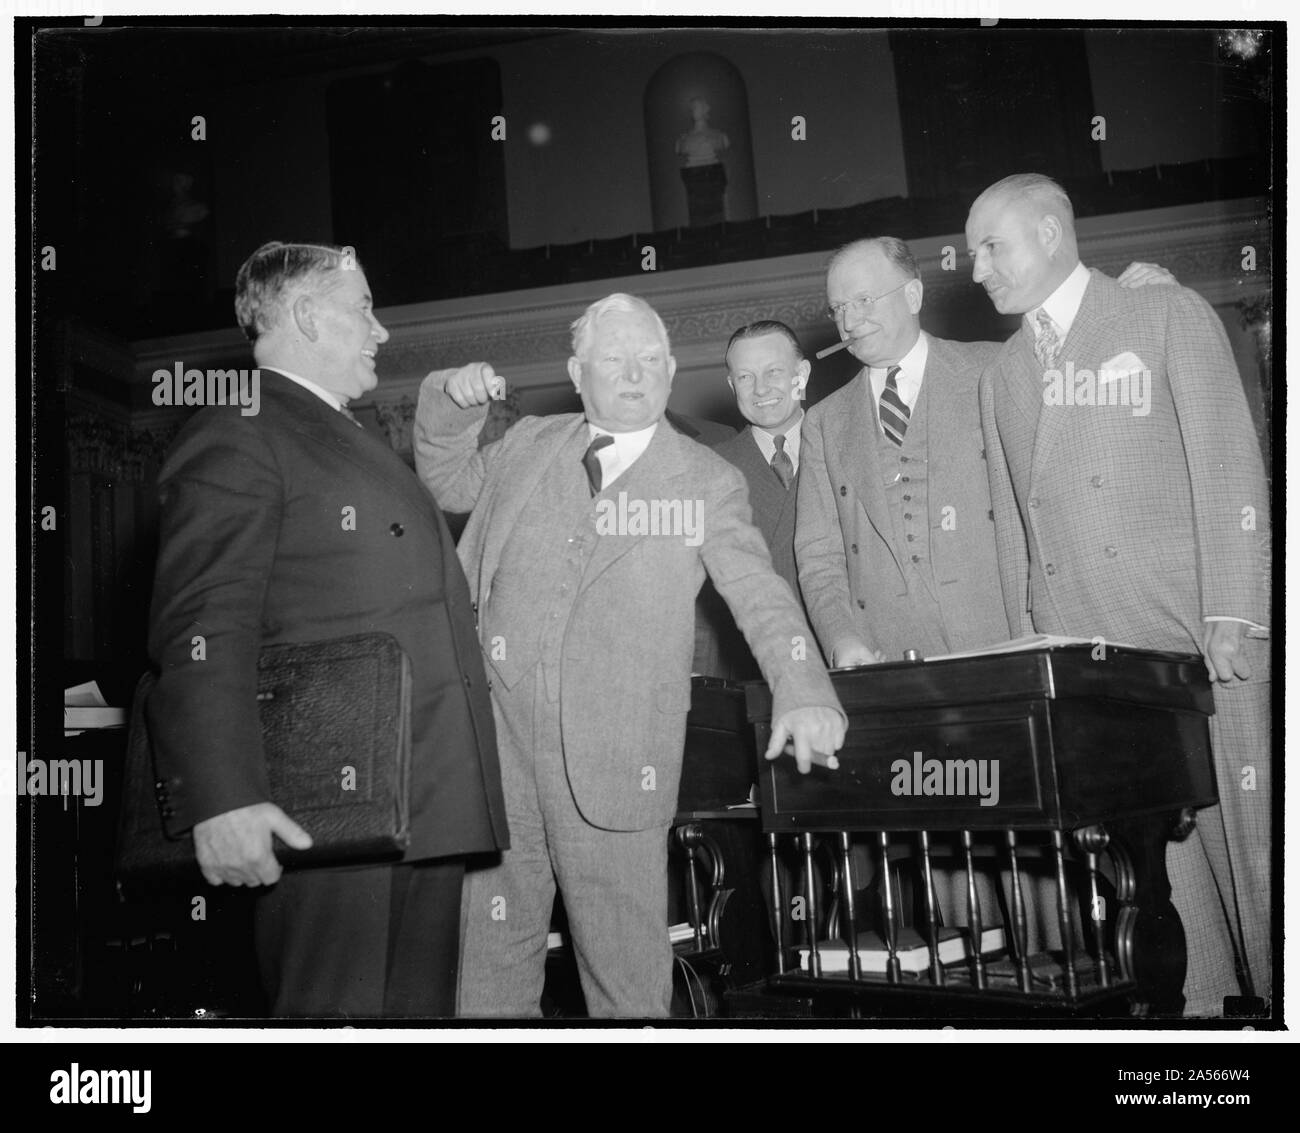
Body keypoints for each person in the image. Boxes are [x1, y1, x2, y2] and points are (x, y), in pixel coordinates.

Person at [413, 292, 846, 1018]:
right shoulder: (528, 445)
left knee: (625, 983)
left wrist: (802, 684)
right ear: (578, 371)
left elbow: (759, 590)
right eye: (614, 359)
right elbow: (446, 480)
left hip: (618, 762)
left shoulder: (706, 481)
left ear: (673, 370)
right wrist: (450, 402)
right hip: (496, 755)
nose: (634, 373)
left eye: (650, 359)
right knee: (488, 970)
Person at [145, 241, 508, 1017]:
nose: (381, 330)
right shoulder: (240, 428)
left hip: (415, 801)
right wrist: (222, 798)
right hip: (327, 810)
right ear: (307, 315)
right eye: (363, 308)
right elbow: (205, 624)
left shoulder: (339, 433)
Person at [968, 173, 1271, 1016]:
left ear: (1053, 231)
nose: (977, 267)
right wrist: (1025, 649)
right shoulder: (1001, 376)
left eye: (993, 245)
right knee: (1156, 885)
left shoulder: (1163, 313)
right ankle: (1203, 1028)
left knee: (1258, 859)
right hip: (1094, 667)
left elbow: (1227, 460)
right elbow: (1012, 538)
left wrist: (1234, 611)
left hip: (1202, 641)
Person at [698, 320, 810, 679]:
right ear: (732, 385)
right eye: (745, 377)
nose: (761, 389)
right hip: (757, 671)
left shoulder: (844, 441)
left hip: (857, 659)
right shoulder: (708, 470)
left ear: (801, 374)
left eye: (774, 371)